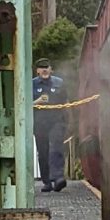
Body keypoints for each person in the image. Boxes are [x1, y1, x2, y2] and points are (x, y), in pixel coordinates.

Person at [32, 56, 68, 194]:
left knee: (56, 147)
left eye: (47, 67)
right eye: (42, 68)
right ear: (37, 71)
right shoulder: (32, 84)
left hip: (57, 120)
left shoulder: (59, 83)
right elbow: (23, 103)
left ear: (51, 69)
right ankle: (47, 181)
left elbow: (66, 100)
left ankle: (58, 177)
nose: (45, 70)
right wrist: (38, 101)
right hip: (40, 122)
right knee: (43, 152)